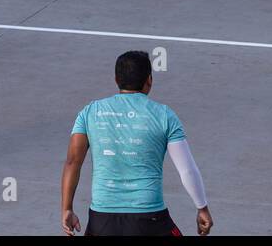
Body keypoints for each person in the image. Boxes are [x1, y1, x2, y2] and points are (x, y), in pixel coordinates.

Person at [61, 50, 212, 236]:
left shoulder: (90, 112)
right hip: (150, 218)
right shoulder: (165, 115)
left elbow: (72, 162)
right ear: (149, 80)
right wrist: (201, 207)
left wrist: (67, 208)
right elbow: (187, 170)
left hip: (102, 219)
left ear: (116, 79)